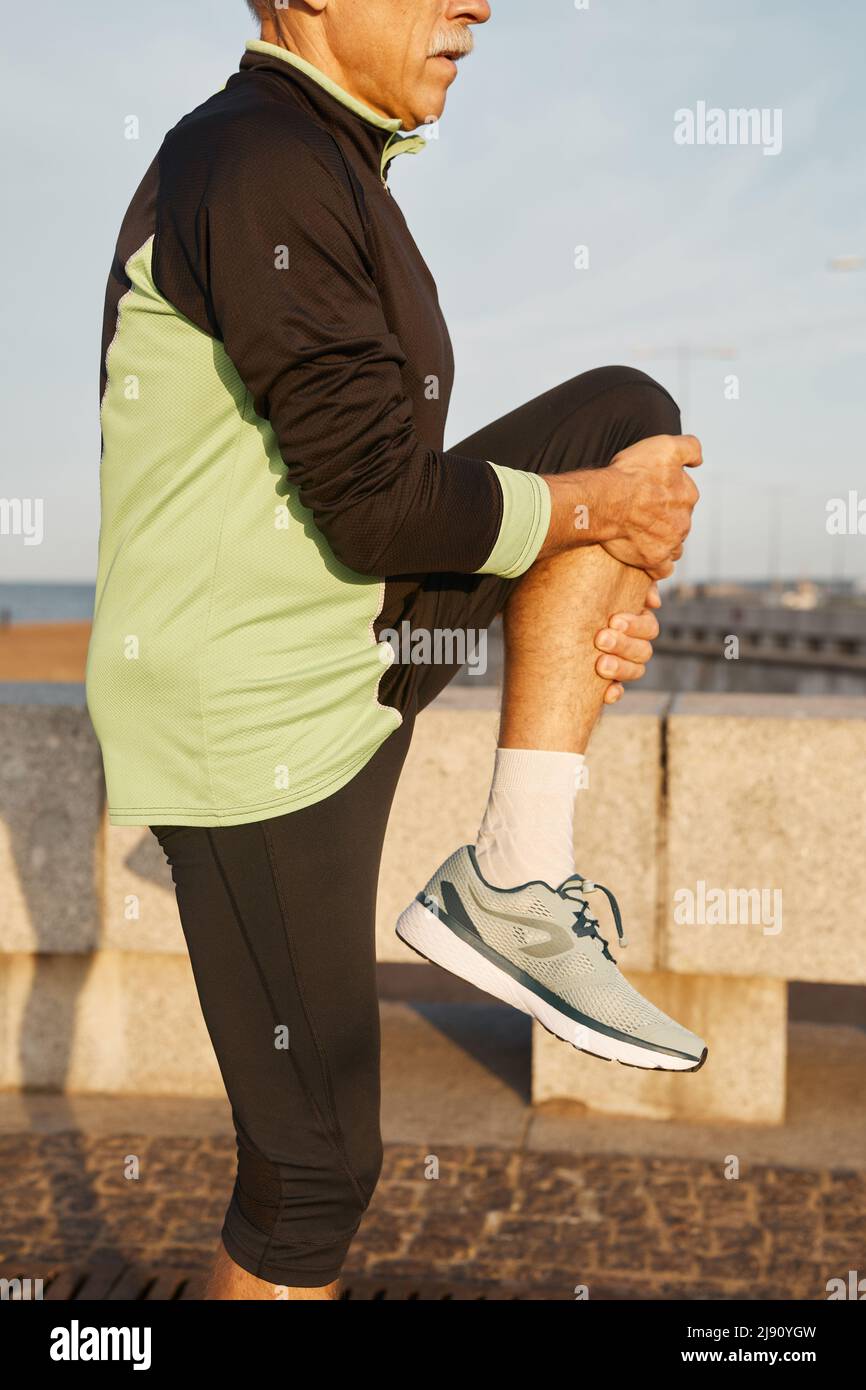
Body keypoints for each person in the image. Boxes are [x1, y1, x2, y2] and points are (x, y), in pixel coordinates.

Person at [86, 0, 704, 1301]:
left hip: (351, 635)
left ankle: (518, 875)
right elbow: (375, 505)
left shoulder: (329, 163)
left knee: (621, 418)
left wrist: (582, 586)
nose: (476, 3)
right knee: (311, 1171)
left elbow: (396, 495)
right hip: (249, 718)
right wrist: (595, 522)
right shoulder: (253, 157)